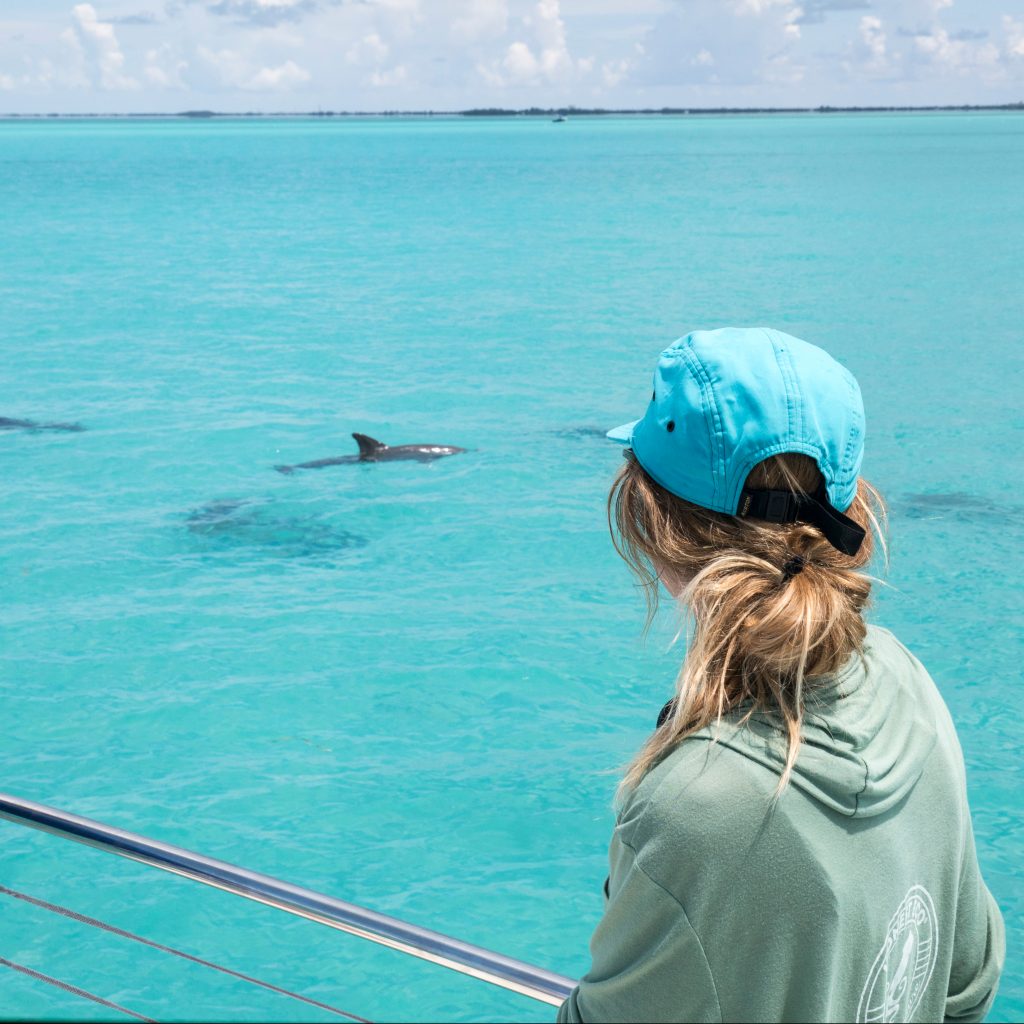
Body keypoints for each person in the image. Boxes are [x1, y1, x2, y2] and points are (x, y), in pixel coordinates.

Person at [557, 327, 1004, 1024]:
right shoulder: (906, 682)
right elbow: (966, 988)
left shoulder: (692, 807)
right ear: (851, 507)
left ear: (652, 522)